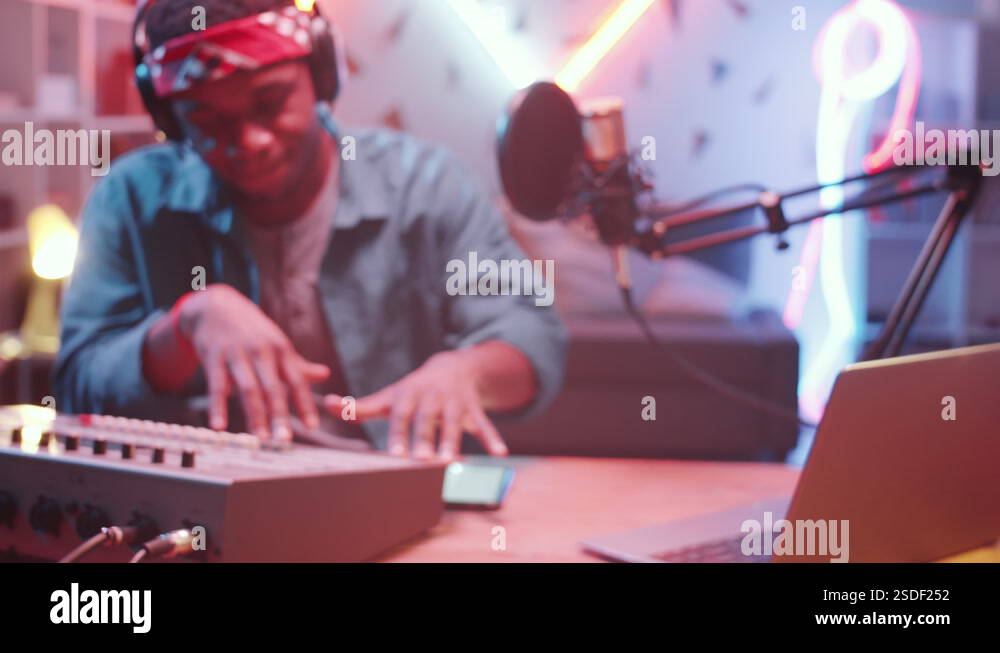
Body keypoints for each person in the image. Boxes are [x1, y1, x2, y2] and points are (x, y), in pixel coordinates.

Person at [54, 0, 566, 461]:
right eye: (207, 120)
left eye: (268, 103)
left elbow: (533, 337)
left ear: (321, 75)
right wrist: (187, 323)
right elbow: (75, 389)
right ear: (168, 115)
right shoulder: (130, 198)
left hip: (402, 494)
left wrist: (466, 373)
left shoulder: (428, 185)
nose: (249, 141)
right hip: (211, 518)